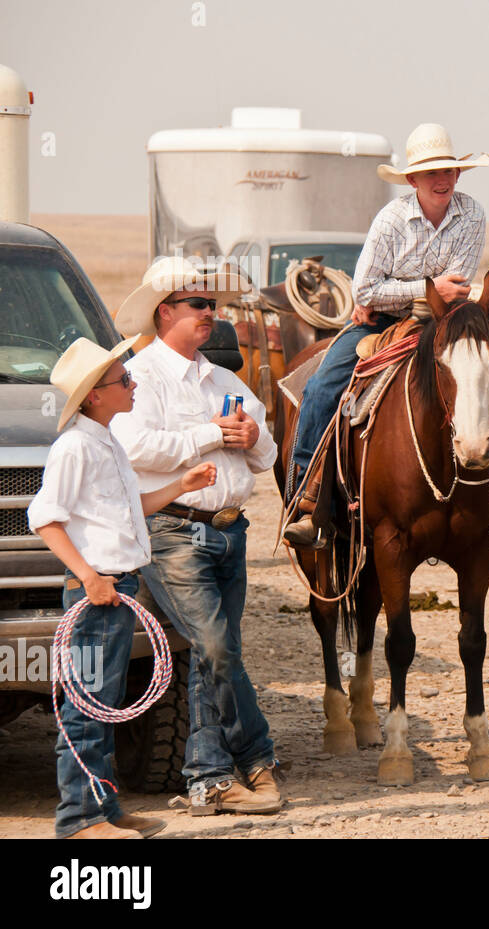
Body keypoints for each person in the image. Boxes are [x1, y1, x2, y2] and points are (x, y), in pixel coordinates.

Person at [283, 123, 489, 546]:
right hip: (382, 324)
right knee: (321, 388)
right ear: (413, 181)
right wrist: (422, 291)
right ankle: (307, 494)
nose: (442, 179)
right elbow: (365, 290)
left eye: (448, 171)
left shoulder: (473, 214)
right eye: (431, 173)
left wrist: (419, 293)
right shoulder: (391, 220)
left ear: (458, 175)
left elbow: (455, 287)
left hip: (443, 323)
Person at [112, 256, 286, 815]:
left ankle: (221, 772)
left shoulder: (225, 379)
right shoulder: (140, 377)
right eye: (199, 305)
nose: (212, 313)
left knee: (218, 652)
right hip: (174, 531)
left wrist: (252, 434)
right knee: (214, 649)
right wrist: (210, 435)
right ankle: (240, 761)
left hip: (230, 533)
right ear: (166, 312)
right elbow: (135, 449)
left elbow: (268, 456)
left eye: (212, 304)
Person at [29, 336, 216, 838]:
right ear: (95, 395)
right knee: (85, 707)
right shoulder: (74, 447)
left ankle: (105, 811)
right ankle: (79, 818)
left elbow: (133, 509)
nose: (132, 384)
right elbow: (45, 518)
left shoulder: (107, 440)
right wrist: (88, 576)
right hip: (96, 596)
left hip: (114, 592)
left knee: (103, 705)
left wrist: (181, 487)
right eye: (122, 381)